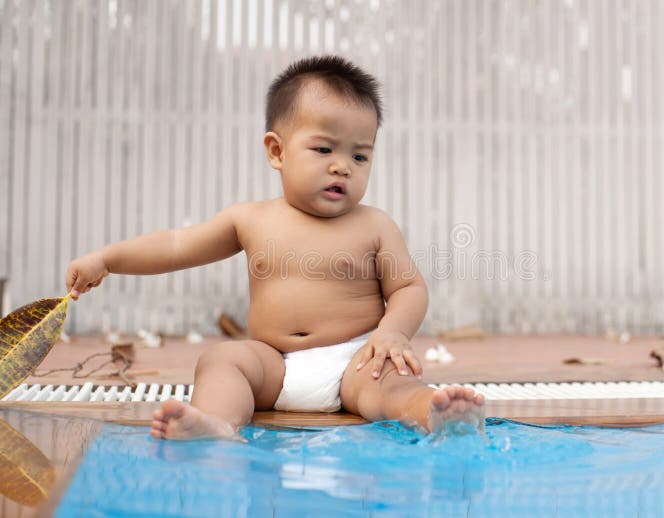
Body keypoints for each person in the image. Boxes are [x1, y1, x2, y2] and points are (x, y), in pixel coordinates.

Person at [65, 55, 485, 440]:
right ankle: (216, 422)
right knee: (223, 361)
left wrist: (391, 333)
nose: (342, 165)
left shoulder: (374, 225)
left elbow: (409, 287)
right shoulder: (249, 219)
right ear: (277, 151)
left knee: (390, 385)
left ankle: (435, 414)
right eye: (323, 149)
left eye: (360, 157)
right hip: (274, 363)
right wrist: (109, 259)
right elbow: (177, 245)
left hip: (354, 360)